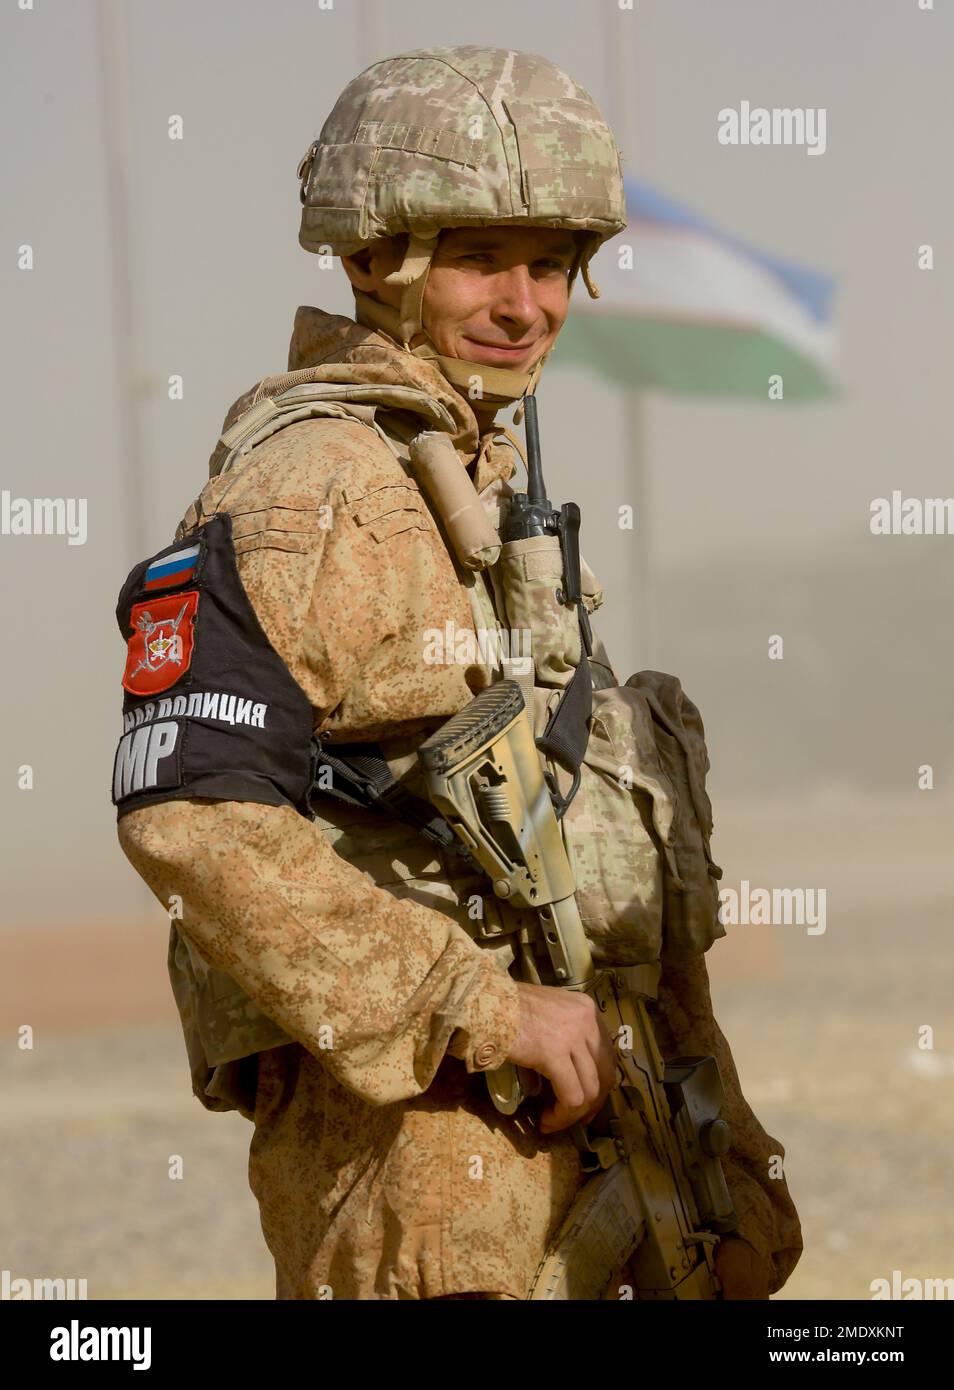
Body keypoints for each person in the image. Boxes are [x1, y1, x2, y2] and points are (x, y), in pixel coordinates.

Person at [113, 44, 802, 1300]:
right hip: (422, 1171)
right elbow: (194, 817)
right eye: (483, 260)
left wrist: (711, 1120)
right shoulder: (309, 485)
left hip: (585, 1147)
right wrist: (477, 1008)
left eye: (550, 266)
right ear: (381, 262)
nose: (524, 304)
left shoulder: (467, 488)